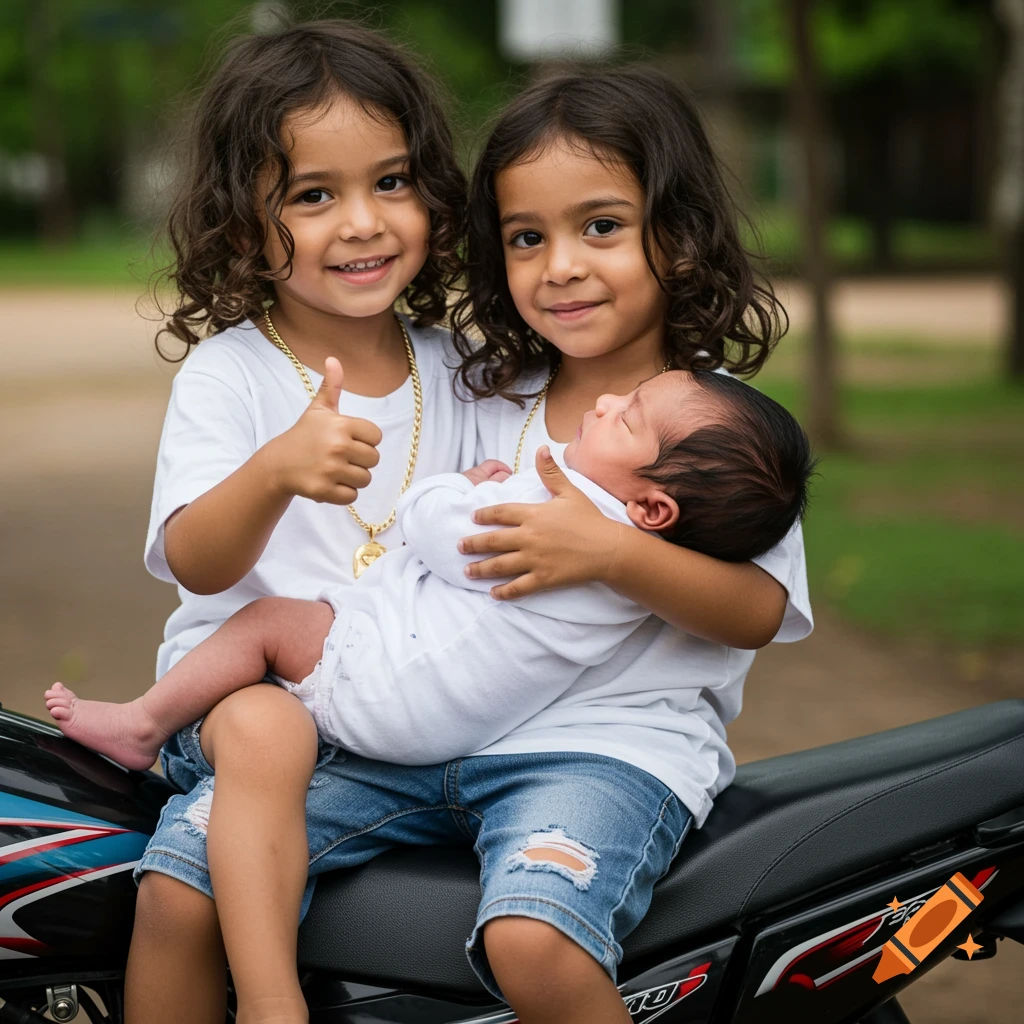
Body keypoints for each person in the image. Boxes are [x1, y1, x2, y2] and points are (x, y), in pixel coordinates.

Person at [121, 42, 811, 1024]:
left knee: (530, 937)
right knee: (182, 880)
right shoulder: (488, 389)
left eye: (602, 226)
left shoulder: (716, 430)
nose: (561, 266)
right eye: (525, 238)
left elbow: (758, 607)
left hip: (600, 752)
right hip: (405, 740)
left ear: (683, 238)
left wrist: (614, 551)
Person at [116, 20, 483, 1024]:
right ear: (244, 225)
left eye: (393, 182)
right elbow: (195, 557)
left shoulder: (455, 368)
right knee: (209, 833)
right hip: (240, 700)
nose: (362, 222)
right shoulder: (230, 372)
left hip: (397, 709)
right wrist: (275, 469)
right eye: (314, 195)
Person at [45, 369, 813, 771]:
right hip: (436, 707)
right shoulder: (660, 545)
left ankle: (146, 722)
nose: (610, 402)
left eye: (631, 416)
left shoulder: (578, 512)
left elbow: (447, 536)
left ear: (652, 510)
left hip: (394, 695)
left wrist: (450, 491)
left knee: (269, 623)